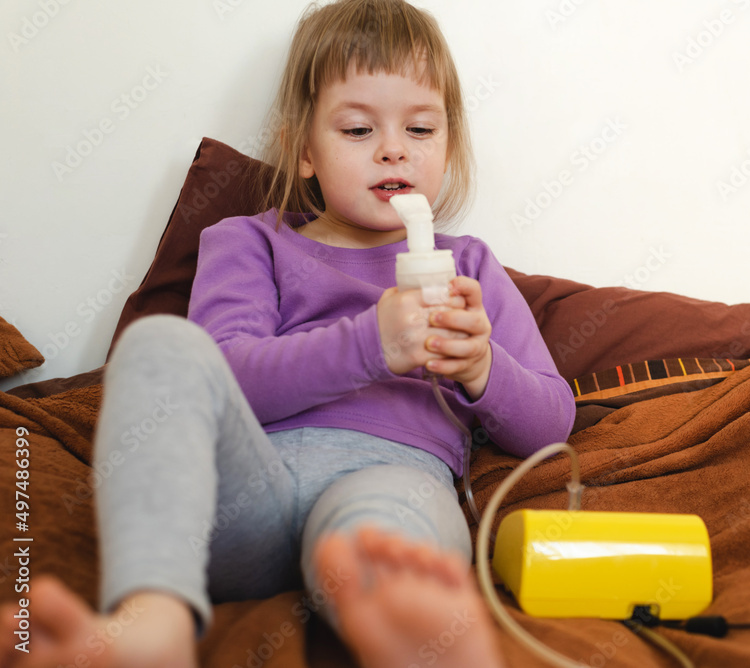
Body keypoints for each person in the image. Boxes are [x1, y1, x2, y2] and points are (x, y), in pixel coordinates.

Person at [0, 1, 575, 666]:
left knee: (382, 538)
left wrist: (481, 368)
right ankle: (153, 620)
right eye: (358, 129)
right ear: (304, 149)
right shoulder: (250, 243)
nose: (394, 148)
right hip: (246, 499)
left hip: (388, 483)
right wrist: (372, 344)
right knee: (159, 344)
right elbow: (229, 376)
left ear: (448, 143)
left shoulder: (469, 266)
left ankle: (408, 629)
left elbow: (551, 423)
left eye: (420, 128)